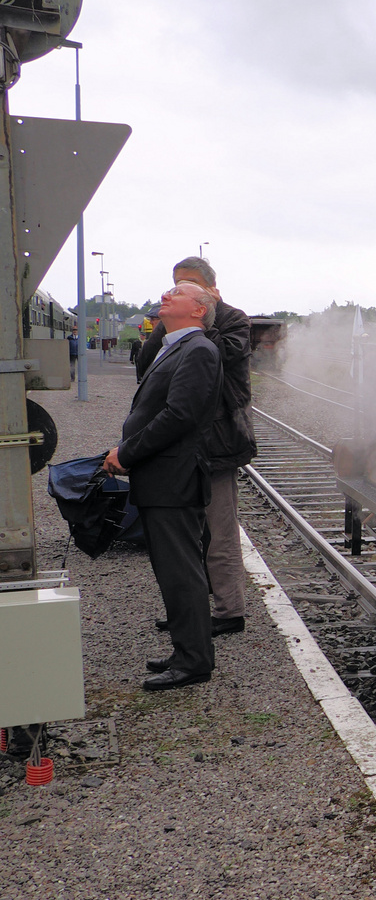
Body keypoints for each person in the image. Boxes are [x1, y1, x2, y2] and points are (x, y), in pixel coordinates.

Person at [105, 281, 224, 690]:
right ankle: (185, 650)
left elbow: (179, 416)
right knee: (171, 570)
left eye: (179, 292)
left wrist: (128, 452)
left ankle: (194, 662)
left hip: (173, 477)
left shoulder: (199, 350)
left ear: (199, 310)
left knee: (181, 572)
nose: (167, 295)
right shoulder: (177, 346)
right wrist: (126, 447)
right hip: (162, 476)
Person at [139, 256, 254, 637]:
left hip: (218, 440)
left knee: (219, 532)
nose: (174, 291)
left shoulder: (233, 319)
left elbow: (219, 357)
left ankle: (228, 611)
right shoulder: (172, 323)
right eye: (173, 284)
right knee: (185, 535)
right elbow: (146, 364)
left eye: (185, 285)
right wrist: (166, 325)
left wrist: (211, 315)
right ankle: (190, 608)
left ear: (208, 289)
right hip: (183, 443)